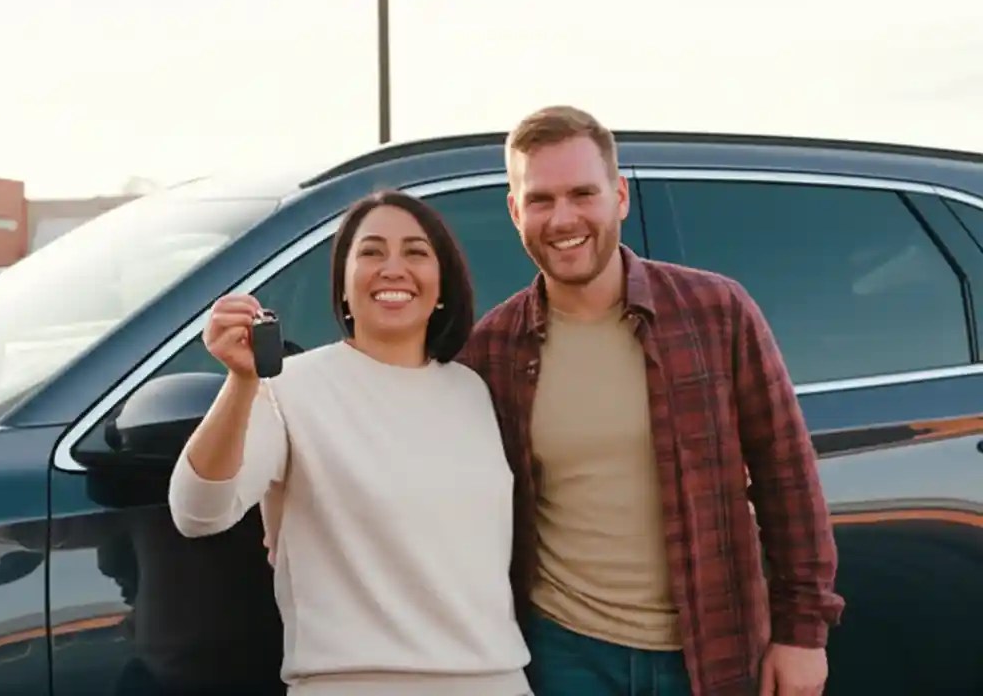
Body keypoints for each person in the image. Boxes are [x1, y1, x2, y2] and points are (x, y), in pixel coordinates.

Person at [457, 105, 845, 696]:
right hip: (566, 653)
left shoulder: (716, 313)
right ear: (515, 210)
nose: (563, 218)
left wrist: (803, 633)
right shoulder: (492, 348)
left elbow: (785, 476)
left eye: (583, 193)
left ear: (619, 196)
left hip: (715, 647)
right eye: (540, 199)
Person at [167, 190, 533, 696]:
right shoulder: (288, 388)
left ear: (441, 286)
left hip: (495, 682)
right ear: (342, 284)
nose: (393, 268)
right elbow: (198, 511)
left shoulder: (473, 391)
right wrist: (241, 382)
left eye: (416, 252)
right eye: (371, 251)